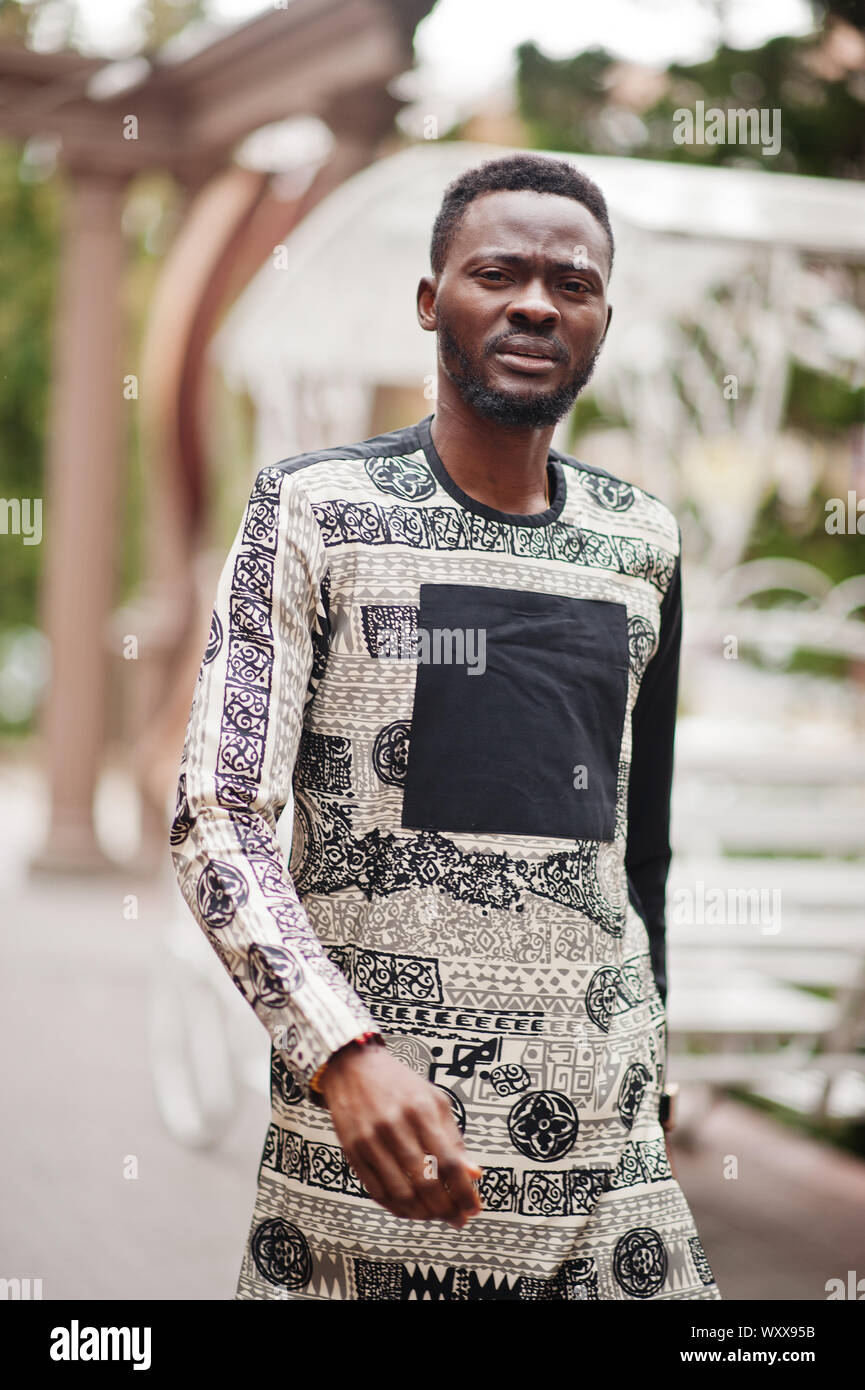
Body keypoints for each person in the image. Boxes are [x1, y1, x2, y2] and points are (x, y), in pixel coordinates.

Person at [169, 152, 722, 1301]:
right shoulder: (315, 511)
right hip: (376, 1147)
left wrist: (653, 1061)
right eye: (498, 272)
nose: (535, 300)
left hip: (603, 1152)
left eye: (570, 283)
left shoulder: (642, 543)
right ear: (430, 303)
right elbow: (217, 813)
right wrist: (341, 1052)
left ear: (602, 320)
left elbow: (641, 844)